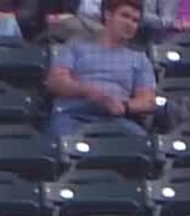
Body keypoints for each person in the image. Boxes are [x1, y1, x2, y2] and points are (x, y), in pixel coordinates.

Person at [44, 0, 157, 139]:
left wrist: (124, 106)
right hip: (73, 116)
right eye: (125, 16)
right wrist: (89, 92)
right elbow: (56, 82)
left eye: (135, 21)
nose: (130, 24)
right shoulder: (76, 46)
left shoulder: (140, 59)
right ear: (108, 15)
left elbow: (148, 101)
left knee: (142, 143)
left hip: (116, 120)